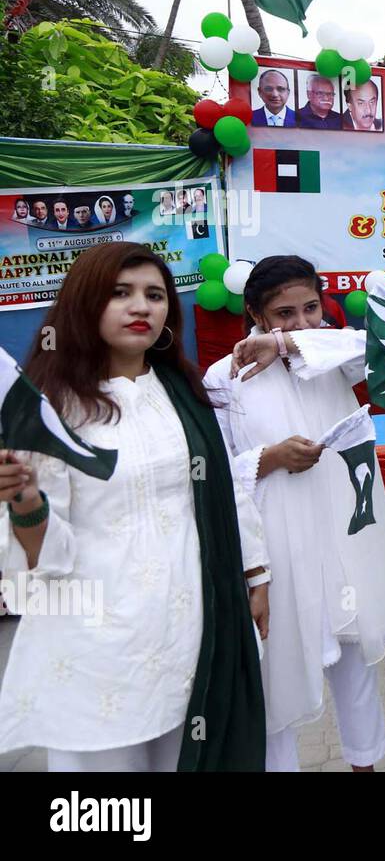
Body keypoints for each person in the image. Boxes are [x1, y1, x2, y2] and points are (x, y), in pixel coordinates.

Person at [0, 241, 269, 770]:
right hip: (98, 642)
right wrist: (25, 499)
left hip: (193, 624)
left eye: (154, 294)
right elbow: (45, 559)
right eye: (120, 293)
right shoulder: (54, 408)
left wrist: (255, 573)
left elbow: (224, 490)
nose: (141, 307)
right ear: (85, 304)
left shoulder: (182, 390)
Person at [206, 256, 385, 772]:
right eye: (283, 315)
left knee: (356, 662)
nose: (300, 323)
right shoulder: (223, 377)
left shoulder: (331, 353)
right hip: (277, 542)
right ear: (253, 312)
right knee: (278, 676)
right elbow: (211, 472)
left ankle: (366, 762)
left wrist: (286, 344)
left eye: (311, 309)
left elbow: (384, 350)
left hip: (343, 529)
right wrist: (269, 459)